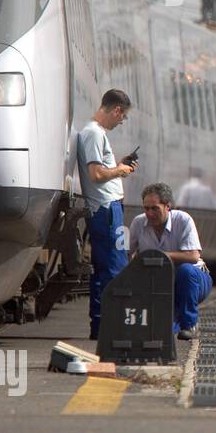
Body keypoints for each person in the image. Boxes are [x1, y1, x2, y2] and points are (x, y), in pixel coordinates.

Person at [76, 89, 136, 340]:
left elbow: (101, 170)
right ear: (117, 110)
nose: (121, 122)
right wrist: (120, 170)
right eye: (122, 117)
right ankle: (110, 327)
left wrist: (117, 165)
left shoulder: (94, 134)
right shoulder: (93, 133)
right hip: (105, 209)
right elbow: (96, 175)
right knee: (114, 267)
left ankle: (101, 326)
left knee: (106, 267)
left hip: (107, 209)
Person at [128, 182, 212, 340]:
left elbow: (193, 256)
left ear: (167, 207)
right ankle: (173, 322)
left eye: (155, 208)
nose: (150, 214)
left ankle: (189, 324)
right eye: (146, 208)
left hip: (193, 279)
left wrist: (161, 255)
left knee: (186, 271)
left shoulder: (183, 220)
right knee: (164, 330)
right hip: (162, 282)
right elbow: (127, 254)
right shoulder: (138, 223)